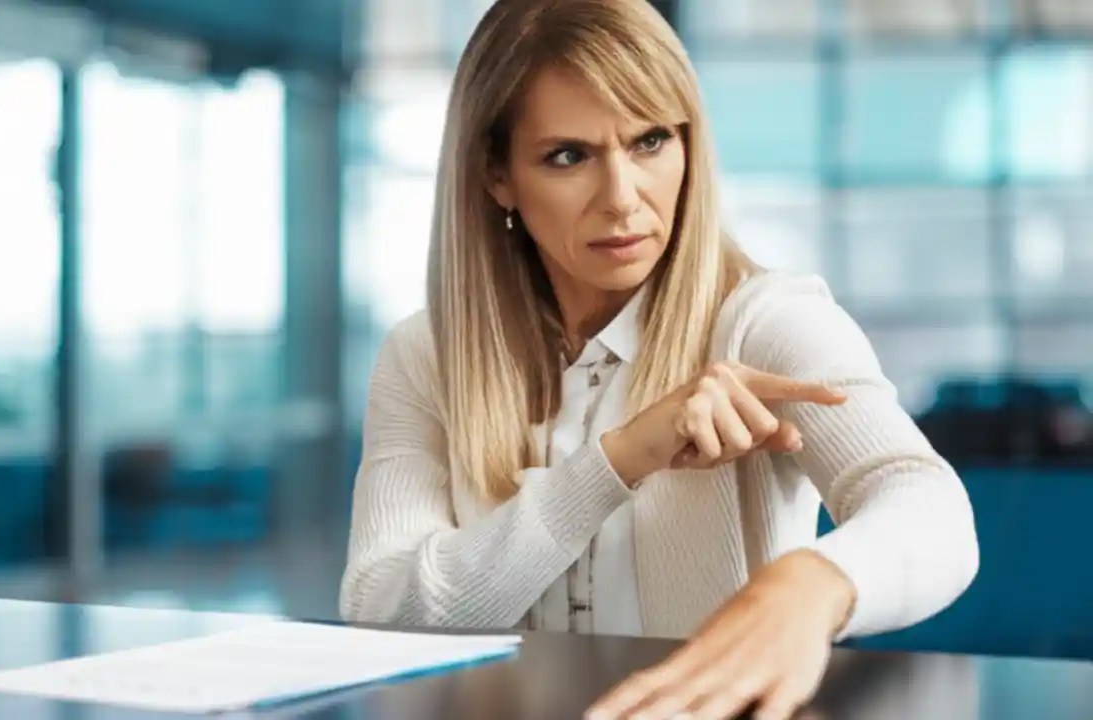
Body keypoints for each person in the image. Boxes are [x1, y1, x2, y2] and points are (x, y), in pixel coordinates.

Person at [338, 1, 980, 718]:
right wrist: (616, 462)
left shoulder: (767, 321)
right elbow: (381, 608)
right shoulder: (425, 356)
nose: (622, 199)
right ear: (497, 176)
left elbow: (930, 509)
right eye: (568, 156)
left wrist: (811, 582)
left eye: (649, 141)